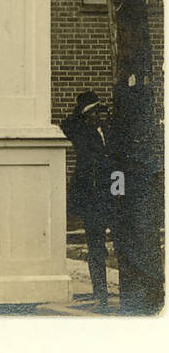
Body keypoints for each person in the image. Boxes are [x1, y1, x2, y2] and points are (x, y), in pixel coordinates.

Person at [61, 91, 113, 308]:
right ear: (84, 115)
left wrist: (118, 193)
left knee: (121, 242)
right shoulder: (80, 132)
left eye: (98, 111)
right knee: (96, 244)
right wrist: (80, 114)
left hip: (112, 193)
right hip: (91, 197)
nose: (96, 116)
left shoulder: (111, 131)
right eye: (90, 113)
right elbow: (66, 125)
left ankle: (129, 291)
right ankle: (100, 293)